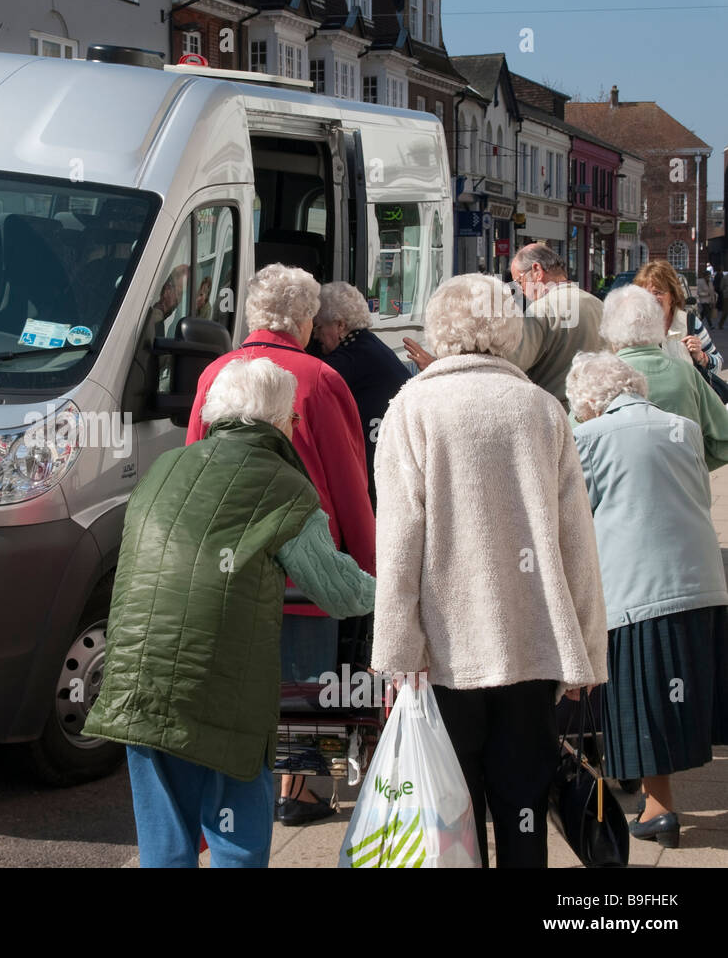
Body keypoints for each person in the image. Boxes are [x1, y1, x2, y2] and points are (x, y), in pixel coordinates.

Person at [81, 357, 377, 868]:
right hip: (223, 692)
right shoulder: (285, 487)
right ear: (285, 421)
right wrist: (403, 591)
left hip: (135, 680)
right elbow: (339, 592)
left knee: (165, 845)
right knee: (237, 840)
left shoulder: (166, 468)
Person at [372, 273, 608, 869]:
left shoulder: (413, 408)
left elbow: (399, 541)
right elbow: (576, 541)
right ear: (507, 327)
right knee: (523, 807)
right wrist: (586, 652)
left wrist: (398, 652)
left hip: (444, 655)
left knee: (453, 817)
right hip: (531, 647)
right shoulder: (541, 409)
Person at [186, 264, 374, 827]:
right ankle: (301, 792)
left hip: (230, 564)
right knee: (304, 687)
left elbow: (197, 465)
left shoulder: (215, 373)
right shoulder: (319, 378)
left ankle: (248, 785)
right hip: (306, 571)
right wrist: (364, 566)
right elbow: (348, 482)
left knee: (243, 682)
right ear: (307, 319)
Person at [566, 352, 728, 849]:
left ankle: (660, 811)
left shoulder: (590, 438)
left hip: (638, 587)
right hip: (701, 581)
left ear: (589, 402)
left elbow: (574, 517)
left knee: (643, 697)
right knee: (682, 695)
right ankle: (655, 802)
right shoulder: (682, 427)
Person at [404, 242, 606, 409]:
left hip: (554, 412)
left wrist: (440, 368)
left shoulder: (542, 310)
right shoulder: (596, 304)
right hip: (594, 409)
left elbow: (506, 368)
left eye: (518, 281)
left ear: (536, 271)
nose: (519, 289)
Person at [600, 285, 728, 470]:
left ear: (609, 330)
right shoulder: (686, 373)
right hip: (684, 488)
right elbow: (723, 439)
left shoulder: (598, 378)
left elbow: (576, 444)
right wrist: (693, 464)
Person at [307, 281, 411, 505]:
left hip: (374, 466)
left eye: (318, 328)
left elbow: (308, 381)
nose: (314, 336)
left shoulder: (351, 358)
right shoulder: (366, 345)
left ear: (340, 326)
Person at [634, 259, 723, 374]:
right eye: (645, 293)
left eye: (658, 293)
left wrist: (701, 357)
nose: (651, 299)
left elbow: (718, 365)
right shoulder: (634, 326)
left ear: (673, 295)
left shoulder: (689, 323)